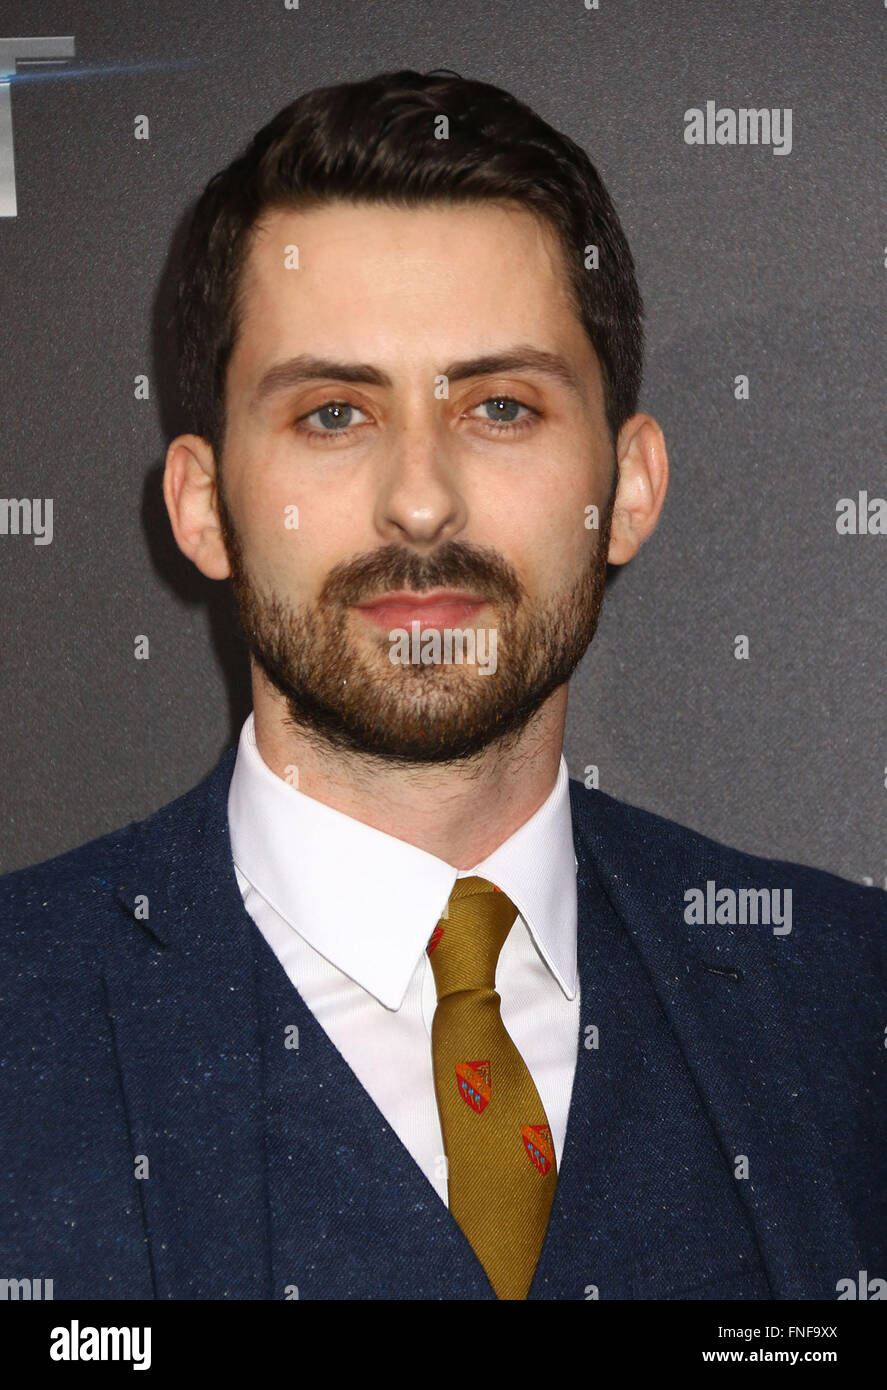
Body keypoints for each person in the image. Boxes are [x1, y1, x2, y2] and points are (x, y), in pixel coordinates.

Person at [1, 69, 884, 1302]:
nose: (420, 499)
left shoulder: (851, 1005)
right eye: (331, 415)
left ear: (626, 488)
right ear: (203, 507)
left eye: (501, 406)